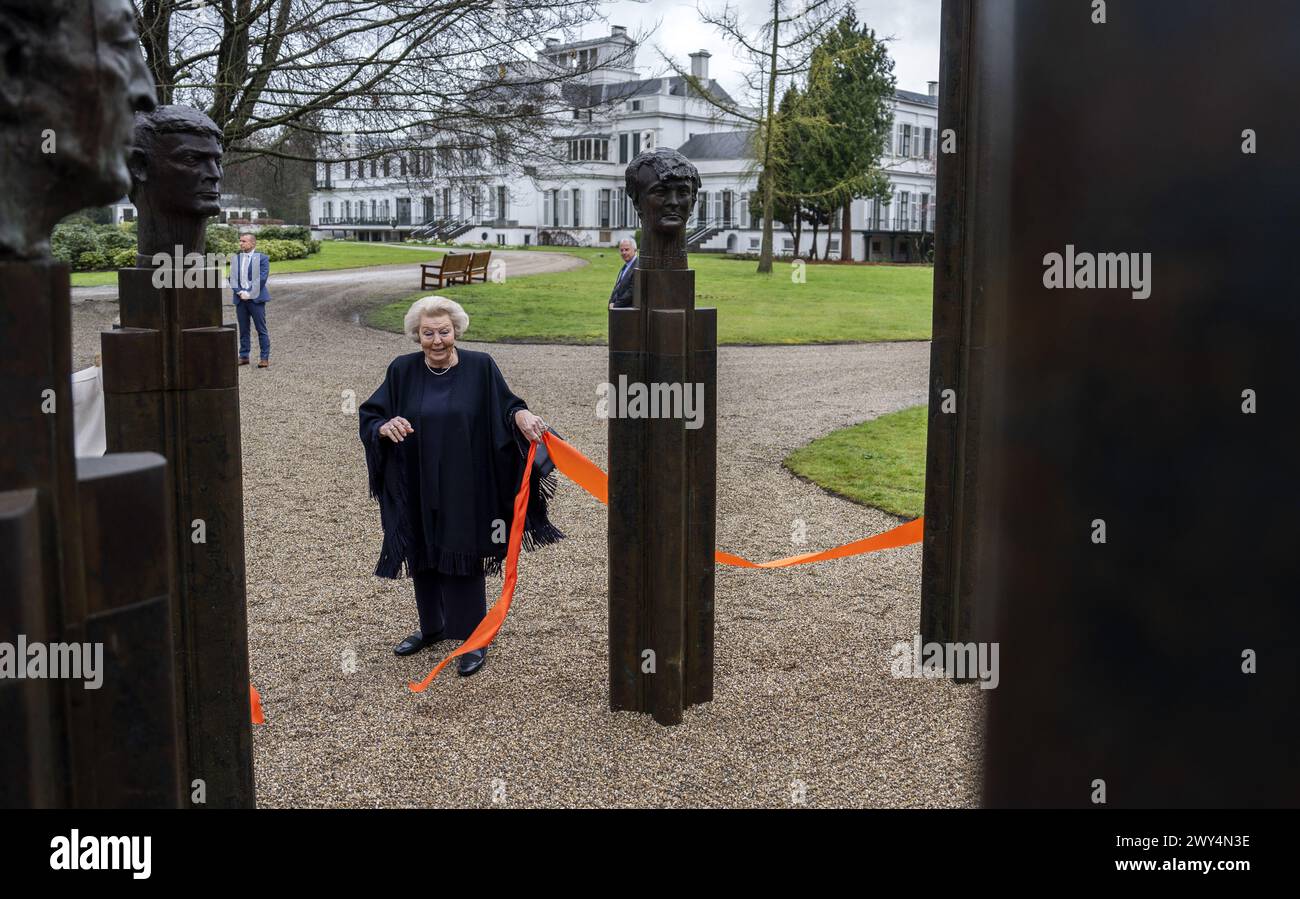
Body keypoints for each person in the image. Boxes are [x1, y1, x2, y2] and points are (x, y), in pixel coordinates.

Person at [359, 296, 564, 676]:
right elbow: (372, 413)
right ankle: (433, 628)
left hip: (465, 480)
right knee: (422, 548)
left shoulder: (480, 367)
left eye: (444, 332)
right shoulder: (402, 370)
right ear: (416, 336)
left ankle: (474, 638)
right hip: (416, 476)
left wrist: (520, 416)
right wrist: (383, 428)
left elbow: (506, 405)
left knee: (463, 552)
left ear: (456, 331)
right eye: (427, 333)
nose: (437, 340)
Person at [230, 232, 271, 367]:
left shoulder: (262, 258)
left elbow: (262, 278)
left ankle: (264, 358)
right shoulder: (236, 259)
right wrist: (240, 292)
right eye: (240, 241)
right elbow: (232, 278)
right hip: (240, 299)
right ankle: (244, 356)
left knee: (261, 329)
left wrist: (250, 293)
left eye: (244, 241)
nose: (241, 243)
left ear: (252, 243)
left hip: (256, 299)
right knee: (243, 329)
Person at [608, 238, 638, 309]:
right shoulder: (625, 266)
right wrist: (610, 302)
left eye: (627, 249)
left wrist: (615, 305)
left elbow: (632, 291)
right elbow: (617, 287)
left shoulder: (637, 266)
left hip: (627, 311)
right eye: (621, 250)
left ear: (635, 250)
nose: (624, 253)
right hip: (618, 309)